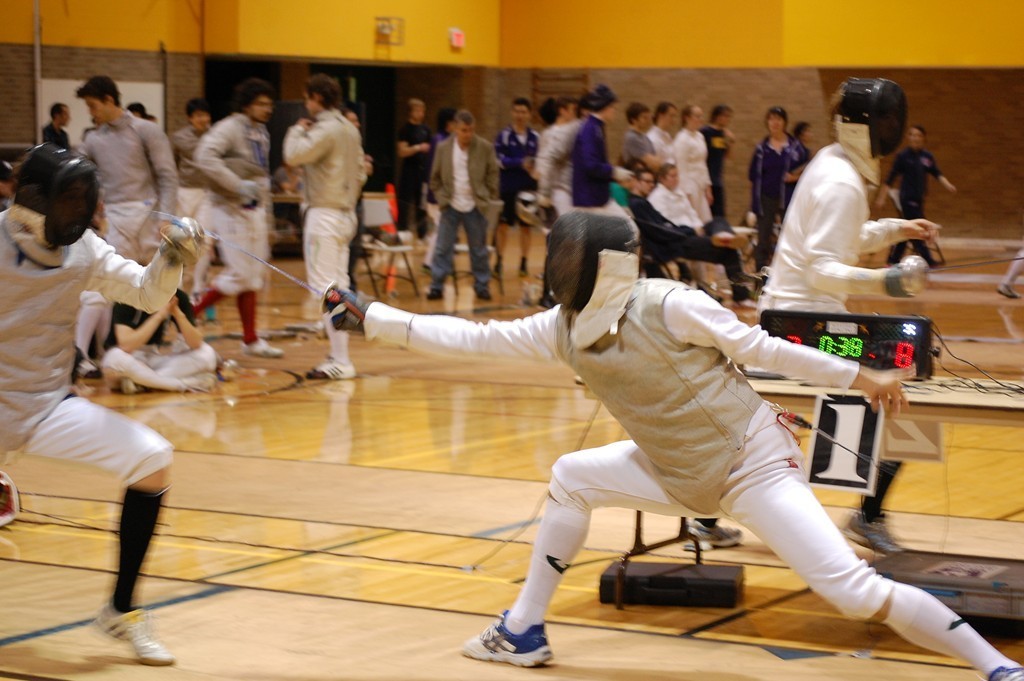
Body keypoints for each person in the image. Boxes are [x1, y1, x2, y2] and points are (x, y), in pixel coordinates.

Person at [321, 211, 1024, 681]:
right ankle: (523, 630)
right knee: (571, 476)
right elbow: (469, 336)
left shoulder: (669, 303)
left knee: (850, 591)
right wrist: (369, 315)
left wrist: (861, 376)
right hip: (676, 472)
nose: (561, 265)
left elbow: (763, 348)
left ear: (597, 264)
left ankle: (995, 666)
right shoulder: (560, 327)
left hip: (752, 467)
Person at [1, 143, 202, 666]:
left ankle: (121, 609)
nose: (78, 211)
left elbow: (147, 293)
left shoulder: (84, 250)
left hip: (45, 407)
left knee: (150, 458)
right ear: (35, 200)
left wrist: (172, 256)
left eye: (81, 199)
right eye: (67, 199)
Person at [760, 78, 940, 555]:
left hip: (802, 321)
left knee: (897, 369)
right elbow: (821, 269)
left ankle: (709, 516)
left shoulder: (831, 161)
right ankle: (868, 515)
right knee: (899, 384)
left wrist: (897, 228)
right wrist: (888, 281)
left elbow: (844, 236)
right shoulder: (840, 181)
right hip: (802, 330)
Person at [192, 77, 284, 358]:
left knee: (253, 275)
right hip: (228, 209)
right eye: (261, 103)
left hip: (253, 210)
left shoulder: (261, 132)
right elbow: (204, 156)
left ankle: (251, 340)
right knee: (241, 273)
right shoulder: (229, 127)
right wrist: (236, 185)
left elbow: (262, 178)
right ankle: (187, 313)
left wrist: (268, 220)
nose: (267, 109)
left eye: (270, 104)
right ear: (246, 105)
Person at [284, 73, 367, 380]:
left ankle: (341, 360)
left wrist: (297, 129)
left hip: (325, 217)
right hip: (347, 216)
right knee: (339, 288)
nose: (306, 104)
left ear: (317, 97)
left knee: (326, 290)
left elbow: (292, 155)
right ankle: (339, 355)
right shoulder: (350, 128)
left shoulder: (325, 128)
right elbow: (362, 171)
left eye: (308, 98)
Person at [633, 166, 754, 310]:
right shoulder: (648, 200)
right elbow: (662, 230)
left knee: (718, 220)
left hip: (685, 232)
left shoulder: (670, 194)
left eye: (651, 182)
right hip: (677, 242)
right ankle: (741, 297)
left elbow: (688, 215)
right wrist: (691, 231)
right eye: (647, 182)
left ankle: (723, 235)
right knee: (729, 253)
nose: (650, 185)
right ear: (637, 182)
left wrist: (698, 228)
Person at [425, 109, 499, 301]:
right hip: (450, 205)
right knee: (442, 248)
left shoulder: (484, 147)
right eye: (464, 130)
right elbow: (434, 179)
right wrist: (442, 199)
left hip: (475, 205)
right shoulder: (443, 148)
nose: (468, 134)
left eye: (471, 130)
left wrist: (487, 195)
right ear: (455, 129)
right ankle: (436, 286)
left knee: (479, 249)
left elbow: (493, 173)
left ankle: (482, 285)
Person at [101, 289, 218, 394]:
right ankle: (182, 384)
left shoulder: (177, 296)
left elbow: (196, 343)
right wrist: (160, 315)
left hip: (152, 358)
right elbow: (126, 345)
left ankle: (142, 382)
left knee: (207, 353)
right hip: (126, 357)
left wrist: (177, 313)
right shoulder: (127, 296)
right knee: (116, 358)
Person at [875, 125, 956, 267]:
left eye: (918, 135)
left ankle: (893, 259)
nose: (915, 138)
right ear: (908, 137)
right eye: (912, 135)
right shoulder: (903, 156)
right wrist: (881, 197)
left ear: (923, 138)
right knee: (918, 228)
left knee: (907, 229)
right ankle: (927, 259)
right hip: (907, 198)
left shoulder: (927, 157)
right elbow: (890, 178)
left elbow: (937, 173)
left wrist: (948, 185)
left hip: (919, 199)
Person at [748, 106, 807, 273]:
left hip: (788, 198)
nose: (775, 123)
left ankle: (790, 273)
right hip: (766, 198)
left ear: (784, 122)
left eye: (778, 119)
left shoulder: (796, 147)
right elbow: (753, 177)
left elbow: (809, 170)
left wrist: (794, 177)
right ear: (767, 122)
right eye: (771, 119)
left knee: (791, 237)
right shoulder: (761, 149)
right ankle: (761, 277)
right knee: (763, 238)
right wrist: (754, 203)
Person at [171, 98, 213, 302]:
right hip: (184, 193)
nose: (202, 119)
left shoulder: (215, 136)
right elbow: (171, 165)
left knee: (205, 241)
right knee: (181, 240)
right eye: (198, 116)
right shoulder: (179, 138)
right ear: (190, 118)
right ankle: (176, 287)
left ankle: (198, 288)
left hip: (208, 194)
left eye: (205, 115)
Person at [494, 97, 540, 278]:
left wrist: (535, 167)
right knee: (502, 225)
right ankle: (498, 261)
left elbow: (541, 160)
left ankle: (523, 263)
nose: (520, 115)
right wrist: (520, 163)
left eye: (523, 112)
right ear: (512, 113)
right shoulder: (504, 136)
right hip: (508, 188)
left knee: (526, 227)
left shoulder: (535, 137)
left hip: (529, 189)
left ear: (529, 114)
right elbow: (499, 160)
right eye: (517, 111)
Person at [571, 84, 632, 215]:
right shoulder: (590, 129)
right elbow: (590, 165)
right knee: (626, 225)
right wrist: (613, 172)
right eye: (613, 107)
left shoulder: (595, 127)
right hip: (590, 199)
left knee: (626, 224)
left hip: (596, 197)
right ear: (605, 107)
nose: (614, 111)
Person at [535, 96, 579, 218]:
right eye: (573, 110)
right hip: (558, 190)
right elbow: (544, 161)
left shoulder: (575, 131)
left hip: (572, 189)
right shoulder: (549, 134)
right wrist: (544, 191)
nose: (575, 113)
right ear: (562, 111)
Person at [396, 98, 431, 237]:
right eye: (417, 110)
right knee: (405, 201)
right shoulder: (405, 130)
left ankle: (422, 234)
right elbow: (401, 151)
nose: (420, 113)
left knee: (422, 203)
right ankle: (402, 232)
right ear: (410, 112)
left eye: (422, 110)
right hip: (409, 170)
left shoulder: (426, 130)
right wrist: (417, 148)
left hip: (422, 171)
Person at [673, 104, 714, 224]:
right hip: (690, 185)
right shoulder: (682, 139)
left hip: (701, 183)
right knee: (693, 219)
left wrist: (708, 187)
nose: (701, 119)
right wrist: (686, 191)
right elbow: (681, 167)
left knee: (706, 220)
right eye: (697, 116)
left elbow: (703, 163)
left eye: (701, 116)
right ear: (687, 118)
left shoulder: (700, 136)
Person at [700, 104, 735, 219]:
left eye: (729, 117)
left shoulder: (723, 133)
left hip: (717, 179)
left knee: (720, 214)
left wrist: (730, 142)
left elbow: (727, 156)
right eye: (725, 116)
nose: (727, 119)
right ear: (717, 116)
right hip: (706, 178)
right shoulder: (705, 132)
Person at [620, 102, 662, 173]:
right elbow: (653, 163)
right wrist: (656, 161)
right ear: (633, 120)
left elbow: (658, 161)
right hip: (636, 176)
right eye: (644, 118)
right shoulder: (632, 138)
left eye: (648, 117)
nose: (648, 121)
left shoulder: (644, 137)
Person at [645, 101, 678, 168]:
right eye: (671, 116)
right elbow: (657, 164)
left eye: (675, 116)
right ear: (661, 116)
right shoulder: (652, 138)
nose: (674, 121)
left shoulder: (667, 135)